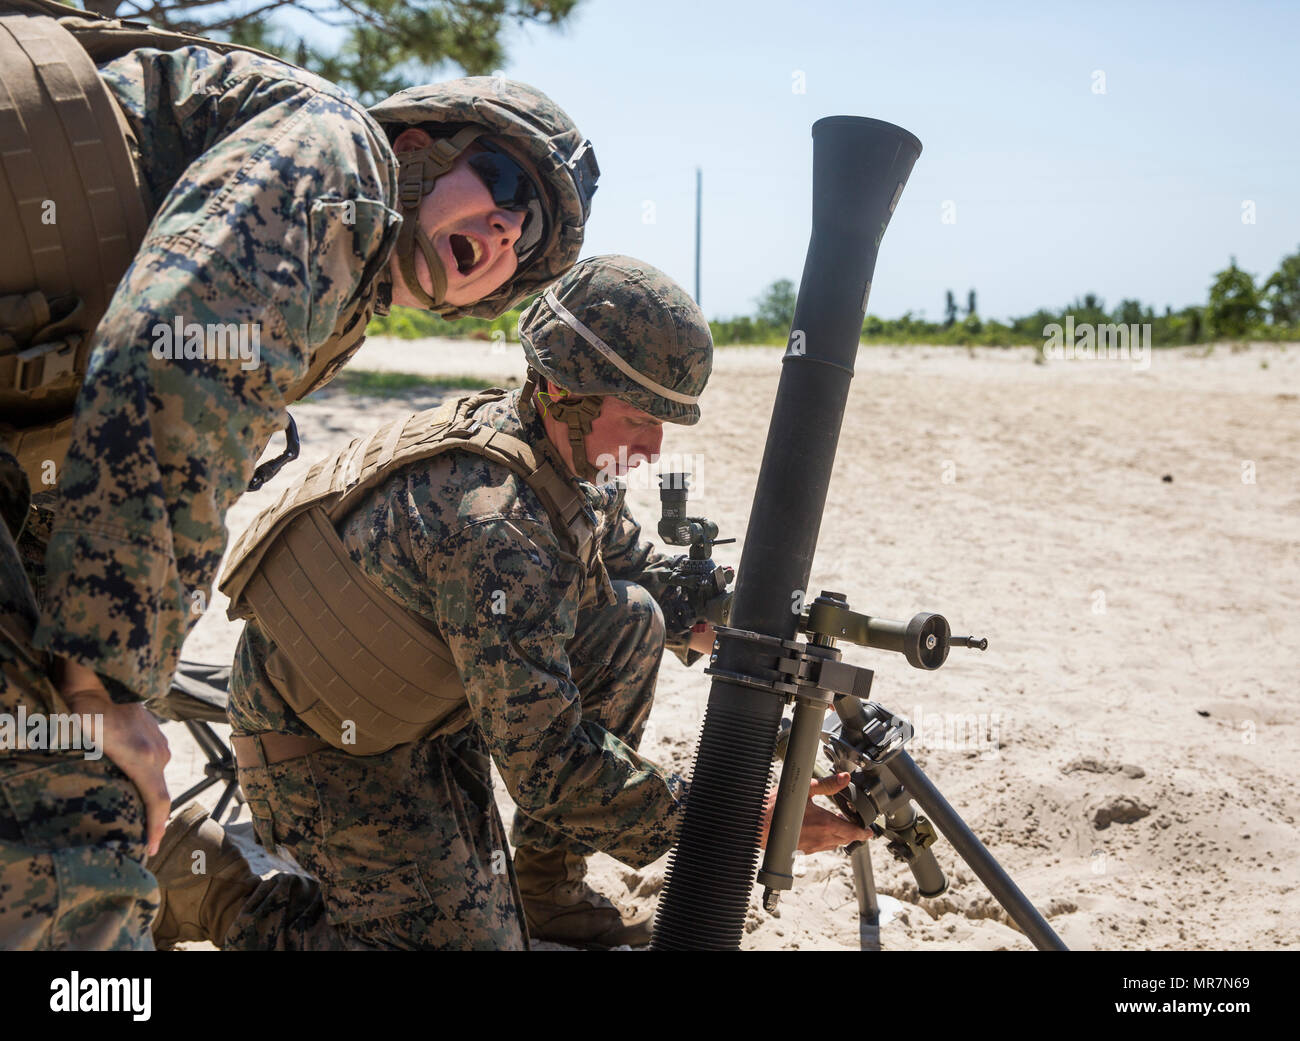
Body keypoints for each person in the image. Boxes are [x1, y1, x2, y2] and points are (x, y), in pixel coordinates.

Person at [0, 0, 597, 950]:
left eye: (525, 243)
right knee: (72, 840)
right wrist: (103, 685)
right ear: (418, 145)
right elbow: (177, 362)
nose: (507, 226)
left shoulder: (337, 295)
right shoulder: (343, 154)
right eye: (502, 178)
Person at [148, 254, 870, 951]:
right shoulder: (494, 526)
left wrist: (726, 616)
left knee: (633, 618)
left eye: (664, 423)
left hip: (426, 700)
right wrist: (738, 818)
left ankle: (546, 887)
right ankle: (208, 885)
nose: (653, 448)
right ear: (563, 391)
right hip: (327, 747)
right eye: (638, 419)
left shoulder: (553, 455)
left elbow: (631, 570)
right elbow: (549, 763)